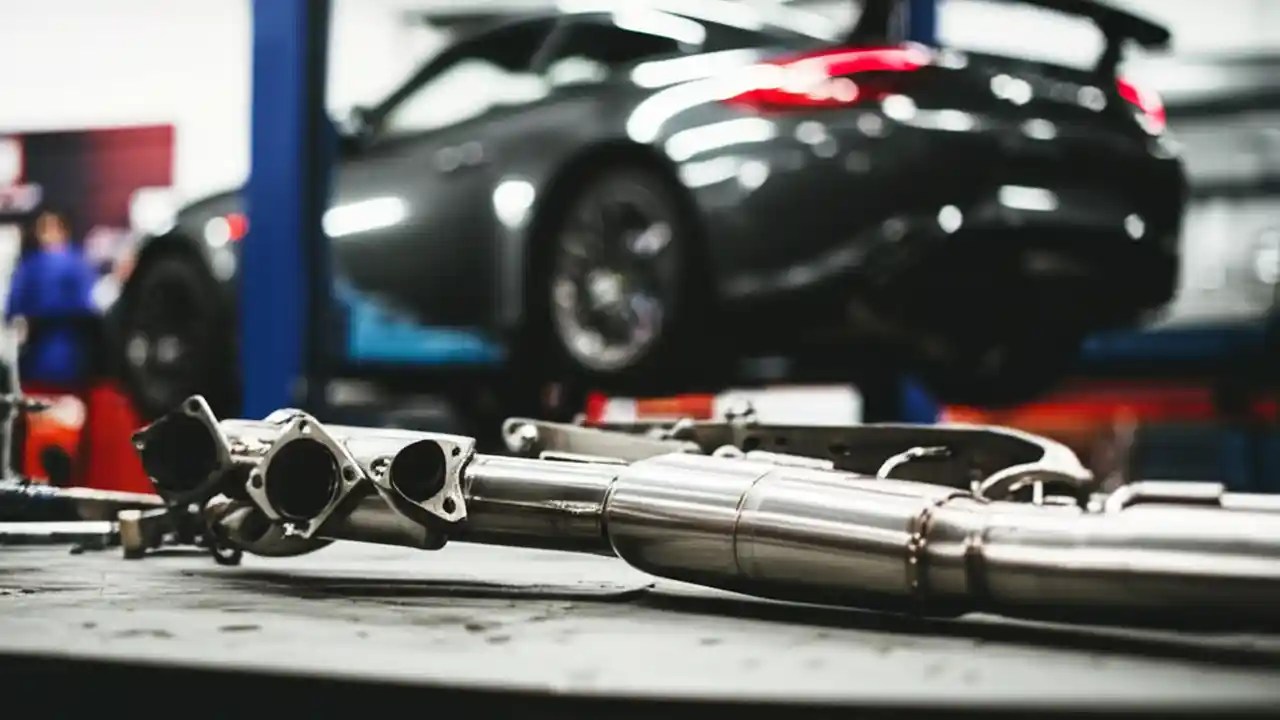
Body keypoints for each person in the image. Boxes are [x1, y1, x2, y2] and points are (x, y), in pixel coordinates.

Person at [5, 209, 99, 394]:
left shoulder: (76, 263)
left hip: (67, 352)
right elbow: (13, 306)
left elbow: (87, 306)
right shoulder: (33, 265)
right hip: (43, 354)